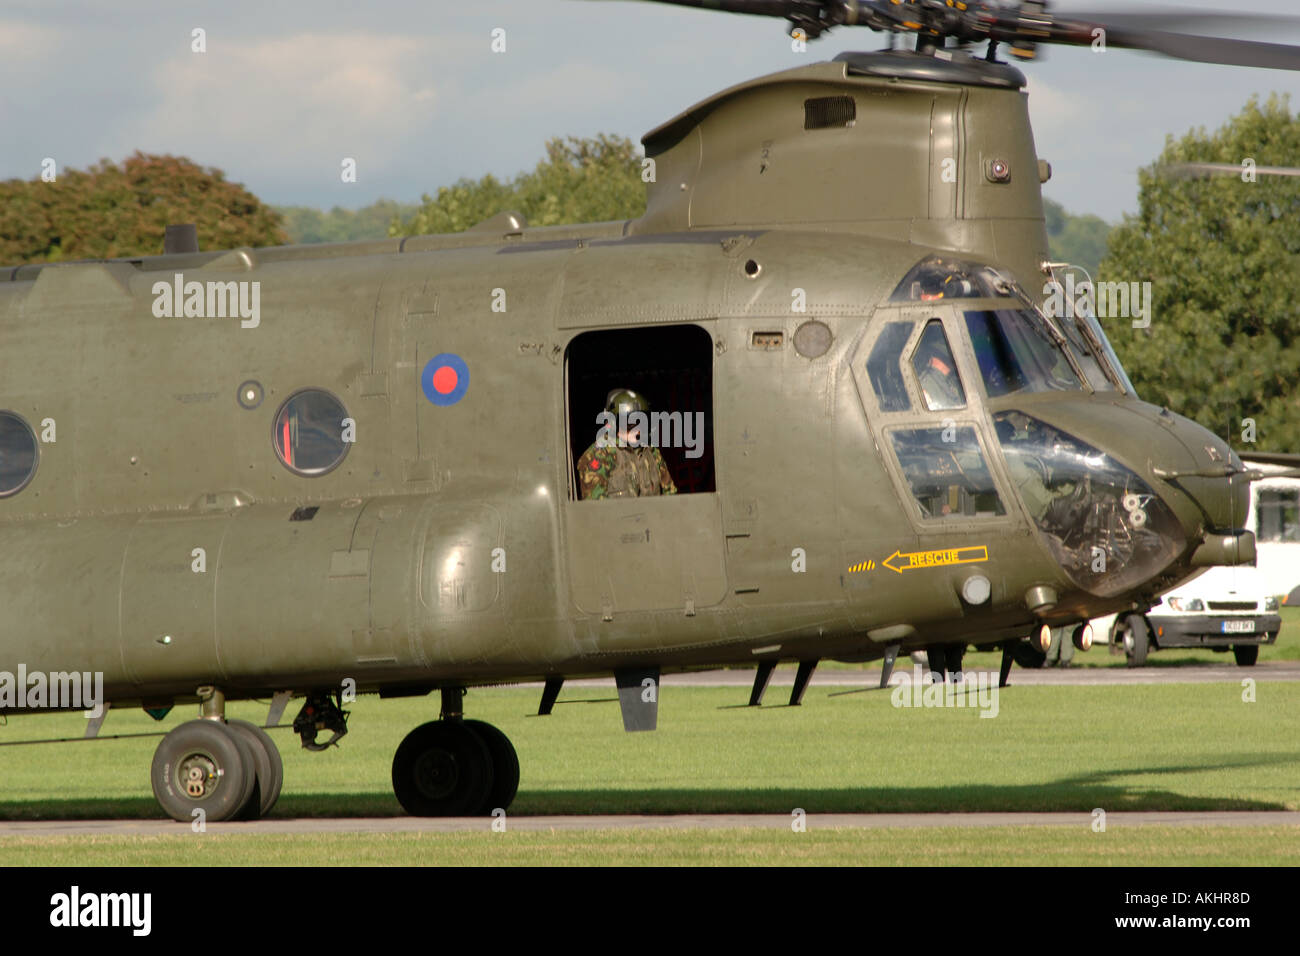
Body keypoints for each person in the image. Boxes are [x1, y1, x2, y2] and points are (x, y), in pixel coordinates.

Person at [577, 389, 677, 499]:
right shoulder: (600, 455)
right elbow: (596, 510)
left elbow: (670, 496)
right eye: (629, 424)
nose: (637, 430)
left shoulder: (651, 452)